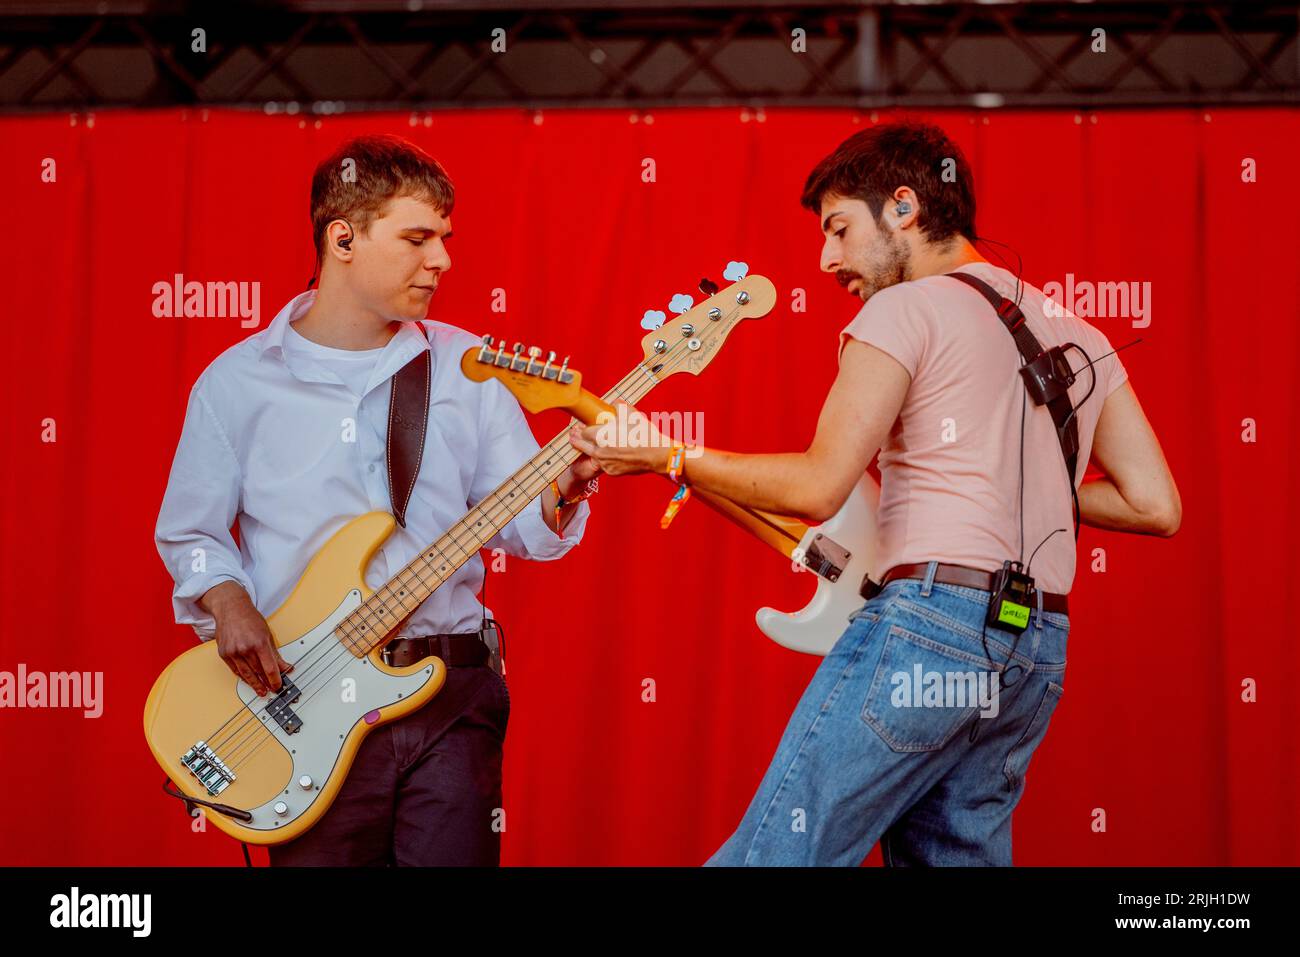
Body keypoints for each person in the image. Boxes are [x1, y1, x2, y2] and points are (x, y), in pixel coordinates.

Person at [570, 120, 1180, 866]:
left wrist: (665, 454)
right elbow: (1157, 504)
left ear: (904, 207)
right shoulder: (1079, 332)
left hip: (934, 624)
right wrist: (1002, 479)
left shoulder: (901, 310)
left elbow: (821, 484)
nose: (826, 259)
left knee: (772, 857)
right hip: (1037, 646)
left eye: (838, 229)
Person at [155, 133, 600, 866]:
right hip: (305, 700)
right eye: (417, 238)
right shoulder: (236, 383)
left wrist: (568, 487)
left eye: (446, 239)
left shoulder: (466, 365)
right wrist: (228, 601)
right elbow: (191, 533)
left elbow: (528, 525)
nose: (443, 260)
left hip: (449, 692)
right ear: (343, 238)